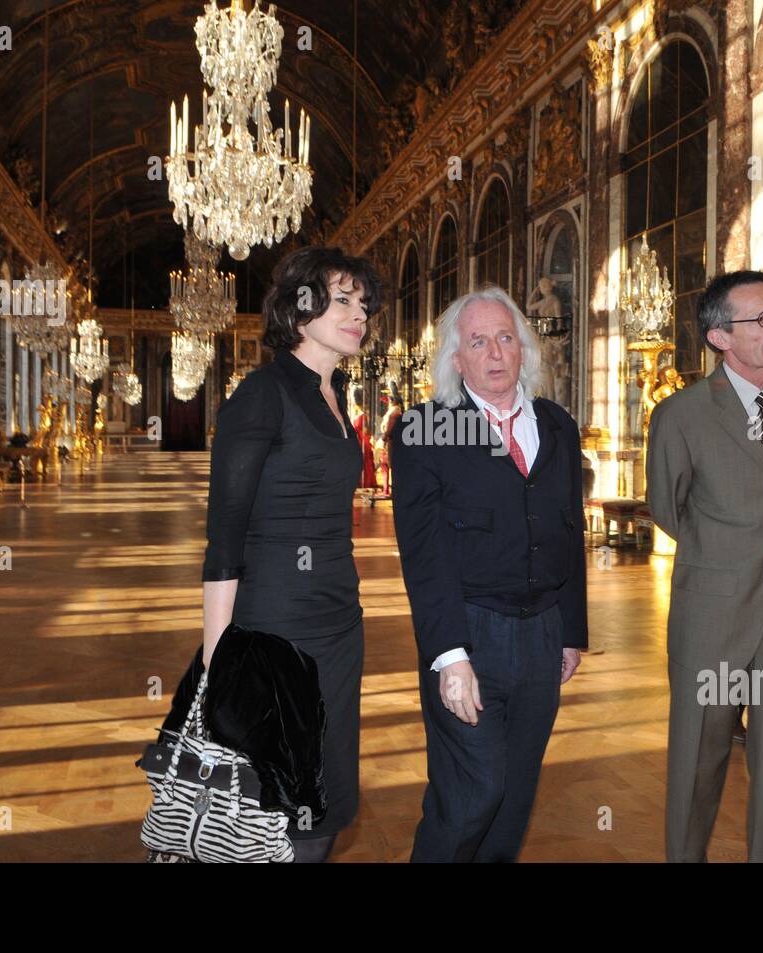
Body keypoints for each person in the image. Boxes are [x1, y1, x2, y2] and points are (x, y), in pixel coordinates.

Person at [189, 245, 383, 864]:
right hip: (276, 629)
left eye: (364, 304)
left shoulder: (336, 397)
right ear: (301, 308)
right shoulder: (262, 395)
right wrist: (220, 668)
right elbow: (225, 537)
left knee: (325, 801)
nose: (360, 315)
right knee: (275, 812)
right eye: (344, 300)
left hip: (339, 624)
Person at [391, 286, 588, 862]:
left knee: (515, 797)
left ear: (523, 348)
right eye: (478, 341)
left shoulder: (556, 426)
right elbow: (423, 556)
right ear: (456, 359)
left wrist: (571, 630)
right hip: (470, 633)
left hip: (543, 633)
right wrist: (448, 657)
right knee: (474, 791)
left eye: (506, 338)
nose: (495, 352)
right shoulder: (424, 430)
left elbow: (568, 532)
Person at [647, 270, 763, 862]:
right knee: (699, 760)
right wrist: (728, 557)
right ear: (720, 337)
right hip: (713, 616)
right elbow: (669, 510)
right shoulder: (680, 415)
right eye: (762, 319)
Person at [350, 385, 377, 490]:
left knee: (363, 460)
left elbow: (365, 430)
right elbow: (366, 431)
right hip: (362, 440)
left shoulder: (360, 416)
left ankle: (364, 481)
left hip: (361, 441)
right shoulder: (362, 415)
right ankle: (363, 481)